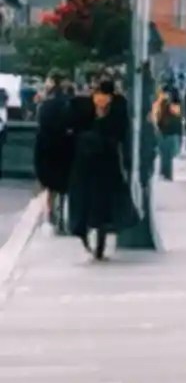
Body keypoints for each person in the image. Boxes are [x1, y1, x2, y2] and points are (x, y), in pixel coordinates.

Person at [67, 80, 136, 260]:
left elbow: (122, 139)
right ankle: (92, 243)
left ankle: (94, 244)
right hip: (95, 166)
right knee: (93, 206)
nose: (99, 100)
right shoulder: (89, 112)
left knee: (95, 207)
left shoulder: (108, 113)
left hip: (97, 166)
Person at [34, 73, 76, 230]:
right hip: (65, 148)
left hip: (48, 149)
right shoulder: (69, 104)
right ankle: (63, 217)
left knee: (50, 187)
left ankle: (50, 216)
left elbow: (41, 130)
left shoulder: (45, 106)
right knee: (65, 186)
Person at [151, 89, 183, 181]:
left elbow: (176, 112)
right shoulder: (158, 103)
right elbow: (154, 114)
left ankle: (167, 174)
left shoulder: (172, 103)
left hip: (169, 131)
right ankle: (163, 173)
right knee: (163, 154)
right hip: (162, 130)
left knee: (167, 155)